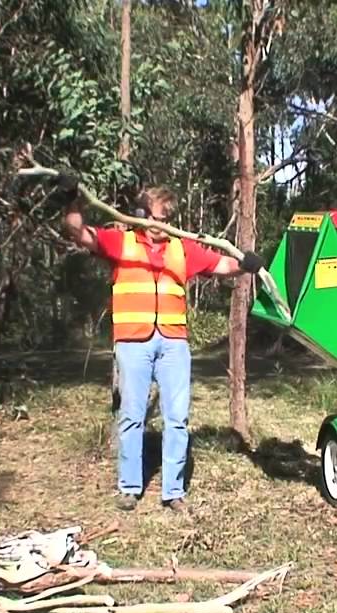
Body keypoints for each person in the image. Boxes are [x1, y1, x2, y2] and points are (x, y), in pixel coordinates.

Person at [58, 173, 265, 511]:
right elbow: (77, 231)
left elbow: (221, 263)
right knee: (132, 416)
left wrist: (245, 264)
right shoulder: (121, 242)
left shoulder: (182, 248)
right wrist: (71, 199)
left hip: (173, 343)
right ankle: (129, 487)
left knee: (177, 418)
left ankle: (173, 492)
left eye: (166, 218)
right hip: (133, 342)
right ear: (141, 215)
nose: (160, 224)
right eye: (155, 216)